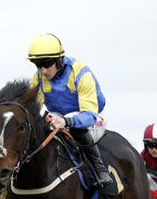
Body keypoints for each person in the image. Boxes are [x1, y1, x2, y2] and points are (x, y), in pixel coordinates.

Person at [28, 33, 112, 189]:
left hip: (90, 117)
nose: (43, 71)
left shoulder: (81, 72)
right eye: (38, 66)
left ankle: (99, 169)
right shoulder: (38, 78)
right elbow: (35, 109)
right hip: (60, 115)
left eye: (46, 65)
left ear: (59, 60)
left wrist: (66, 121)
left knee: (73, 123)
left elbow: (89, 115)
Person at [141, 123, 157, 199]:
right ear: (146, 146)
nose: (154, 149)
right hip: (150, 191)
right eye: (150, 145)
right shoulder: (142, 158)